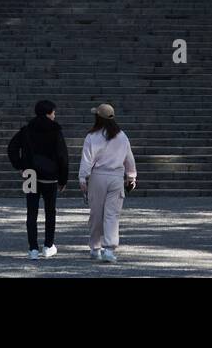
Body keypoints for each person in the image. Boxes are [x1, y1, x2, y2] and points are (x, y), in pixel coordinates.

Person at [7, 100, 69, 260]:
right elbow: (62, 156)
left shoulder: (27, 129)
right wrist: (63, 179)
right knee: (50, 211)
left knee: (32, 212)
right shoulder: (55, 131)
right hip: (50, 176)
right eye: (53, 112)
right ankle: (48, 245)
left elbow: (12, 147)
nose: (55, 115)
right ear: (48, 113)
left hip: (30, 175)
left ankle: (33, 248)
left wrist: (20, 165)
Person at [78, 103, 137, 263]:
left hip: (98, 176)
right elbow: (129, 158)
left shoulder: (92, 136)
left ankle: (95, 247)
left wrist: (83, 177)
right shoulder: (122, 136)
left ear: (97, 117)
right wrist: (131, 176)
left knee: (96, 213)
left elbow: (87, 158)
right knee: (112, 214)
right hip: (117, 177)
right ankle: (109, 249)